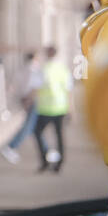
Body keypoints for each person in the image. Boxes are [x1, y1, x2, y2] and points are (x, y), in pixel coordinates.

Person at [34, 45, 72, 173]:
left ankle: (45, 160)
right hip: (60, 107)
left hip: (45, 108)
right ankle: (59, 163)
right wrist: (71, 108)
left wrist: (28, 100)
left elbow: (36, 87)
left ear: (47, 53)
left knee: (37, 132)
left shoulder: (43, 69)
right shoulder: (62, 68)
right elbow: (68, 89)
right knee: (59, 136)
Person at [1, 51, 42, 164]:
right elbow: (35, 86)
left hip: (24, 99)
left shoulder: (21, 70)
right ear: (34, 58)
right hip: (32, 100)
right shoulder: (34, 70)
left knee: (34, 126)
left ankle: (46, 151)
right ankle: (11, 146)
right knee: (29, 126)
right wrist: (29, 99)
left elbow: (13, 86)